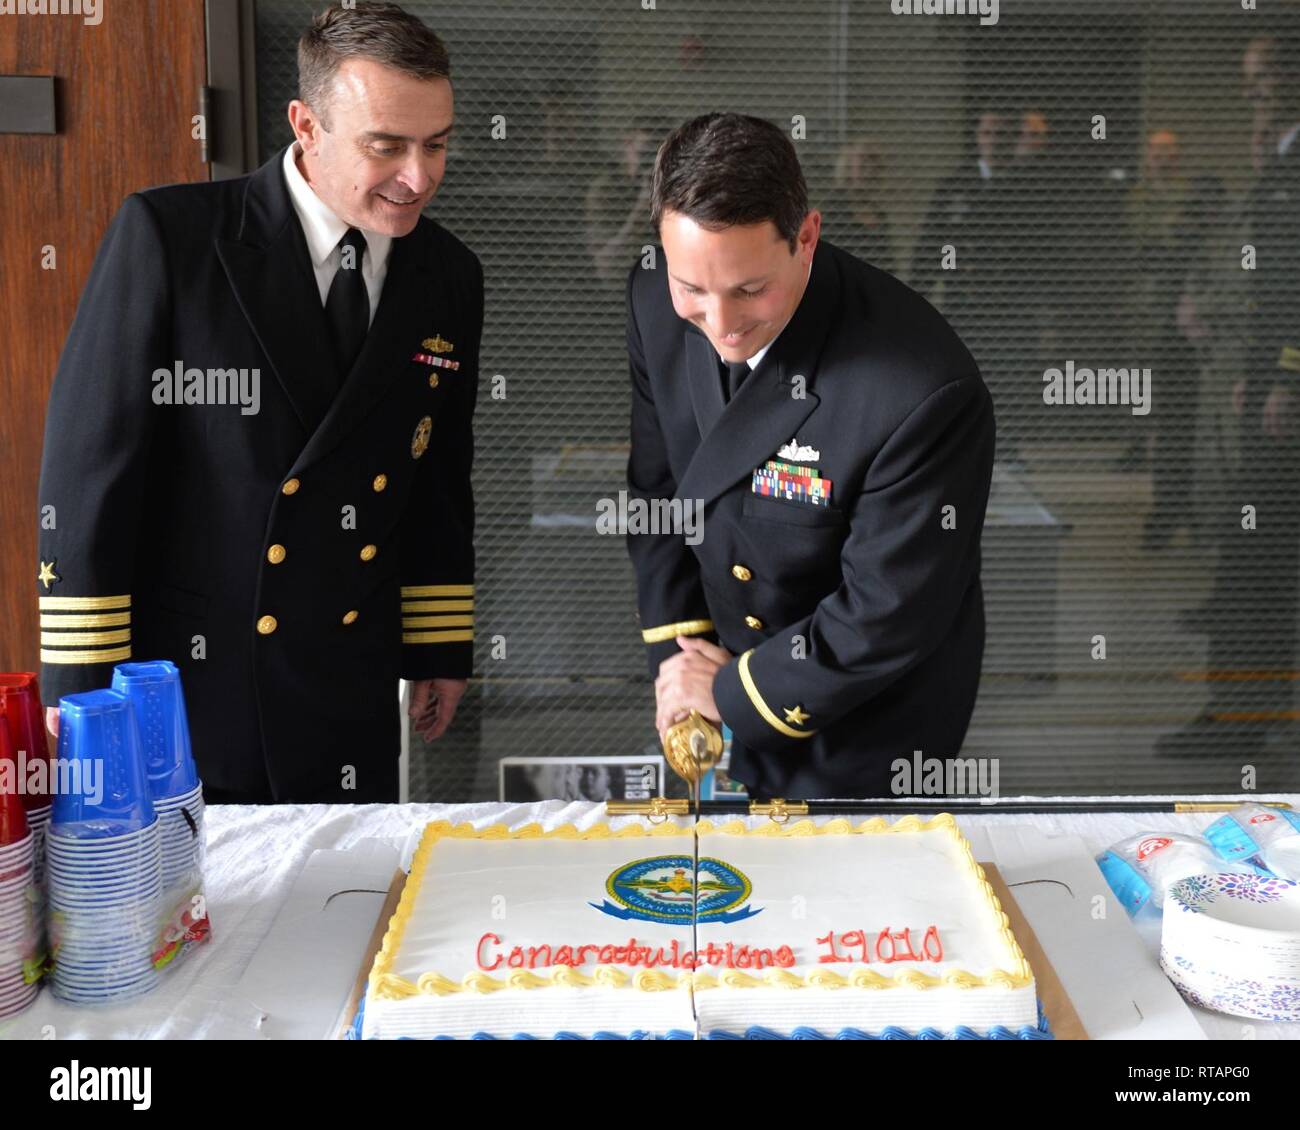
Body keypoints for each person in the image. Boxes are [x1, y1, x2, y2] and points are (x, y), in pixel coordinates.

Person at [35, 2, 483, 802]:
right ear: (306, 126)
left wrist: (438, 648)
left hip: (349, 683)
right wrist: (82, 700)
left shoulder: (448, 273)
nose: (420, 177)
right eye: (386, 147)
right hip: (188, 686)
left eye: (439, 144)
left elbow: (439, 478)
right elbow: (89, 482)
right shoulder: (173, 238)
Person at [624, 113, 995, 798]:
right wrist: (681, 665)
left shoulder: (923, 387)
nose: (722, 325)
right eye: (694, 290)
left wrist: (731, 690)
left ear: (807, 236)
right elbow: (657, 496)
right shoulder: (654, 299)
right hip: (715, 672)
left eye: (750, 290)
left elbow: (885, 611)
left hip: (869, 717)